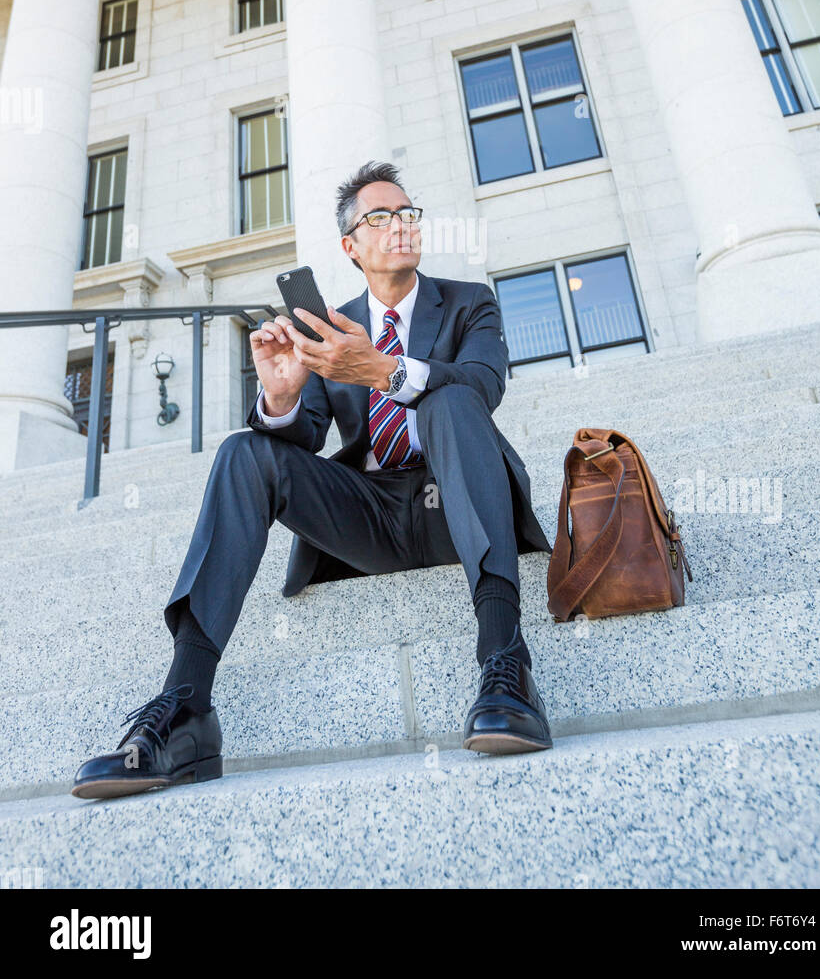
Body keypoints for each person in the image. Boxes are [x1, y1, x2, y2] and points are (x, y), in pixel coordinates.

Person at [72, 161, 553, 800]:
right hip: (369, 517)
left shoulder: (470, 302)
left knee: (450, 398)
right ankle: (185, 710)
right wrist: (281, 400)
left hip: (454, 503)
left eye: (408, 214)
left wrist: (383, 369)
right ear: (351, 246)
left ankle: (505, 664)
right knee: (246, 452)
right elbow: (305, 440)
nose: (401, 227)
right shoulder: (328, 327)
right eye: (380, 218)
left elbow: (485, 387)